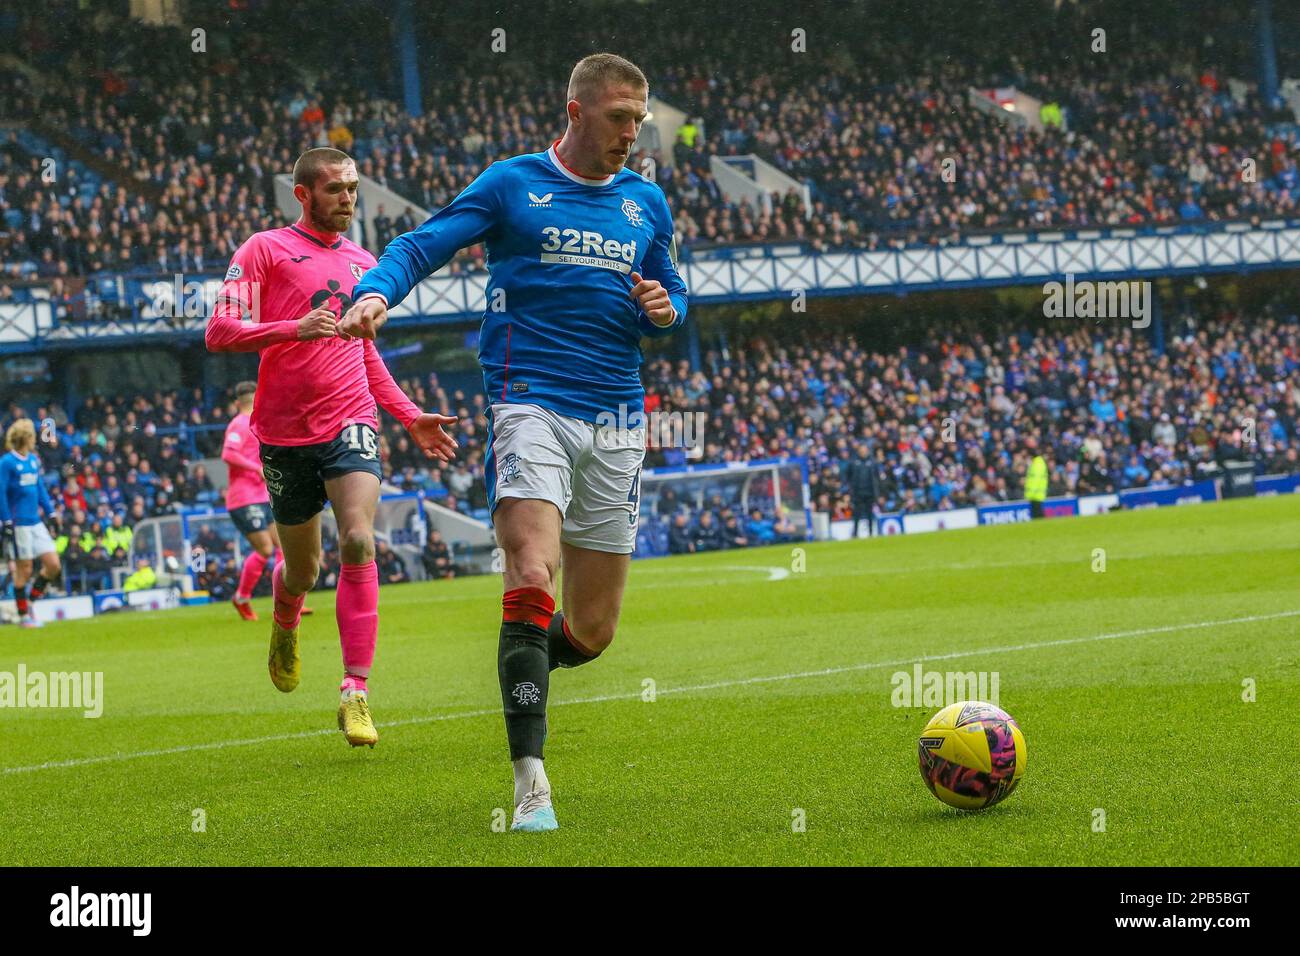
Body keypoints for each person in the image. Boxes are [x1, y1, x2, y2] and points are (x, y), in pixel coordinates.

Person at [345, 53, 688, 830]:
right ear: (574, 111)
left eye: (640, 118)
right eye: (618, 117)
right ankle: (531, 781)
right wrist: (373, 291)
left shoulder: (645, 203)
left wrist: (667, 308)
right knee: (532, 566)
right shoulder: (512, 183)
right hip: (529, 402)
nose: (632, 134)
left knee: (594, 633)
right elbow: (422, 244)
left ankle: (523, 655)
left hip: (618, 418)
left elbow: (673, 295)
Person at [206, 146, 458, 749]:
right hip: (284, 431)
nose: (348, 199)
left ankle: (355, 693)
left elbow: (365, 353)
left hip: (352, 419)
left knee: (358, 537)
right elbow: (219, 331)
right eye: (335, 189)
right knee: (302, 568)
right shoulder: (263, 249)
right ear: (303, 194)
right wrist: (294, 326)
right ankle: (285, 620)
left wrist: (409, 415)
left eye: (353, 188)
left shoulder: (364, 261)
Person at [221, 380, 313, 621]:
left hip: (262, 495)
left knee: (283, 548)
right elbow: (228, 454)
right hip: (243, 498)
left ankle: (288, 602)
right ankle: (241, 597)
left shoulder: (258, 422)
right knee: (264, 549)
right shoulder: (239, 424)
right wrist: (257, 469)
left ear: (236, 402)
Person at [0, 419, 61, 627]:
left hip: (36, 522)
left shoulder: (33, 460)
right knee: (24, 569)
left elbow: (40, 489)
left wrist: (51, 513)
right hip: (19, 524)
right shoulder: (7, 462)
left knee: (53, 564)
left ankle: (31, 602)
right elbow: (1, 493)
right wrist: (6, 519)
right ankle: (24, 615)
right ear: (27, 438)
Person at [843, 442, 880, 537]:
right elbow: (847, 476)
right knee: (856, 514)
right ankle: (855, 533)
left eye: (864, 450)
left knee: (869, 514)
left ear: (867, 451)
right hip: (857, 493)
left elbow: (877, 478)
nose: (863, 452)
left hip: (869, 492)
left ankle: (871, 533)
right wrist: (849, 491)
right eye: (861, 451)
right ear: (858, 451)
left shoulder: (872, 462)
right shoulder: (853, 463)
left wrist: (877, 493)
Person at [1025, 440, 1049, 519]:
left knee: (1038, 516)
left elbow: (1035, 480)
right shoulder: (1038, 462)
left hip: (1035, 495)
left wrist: (1030, 494)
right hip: (1036, 495)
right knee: (1038, 516)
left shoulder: (1037, 464)